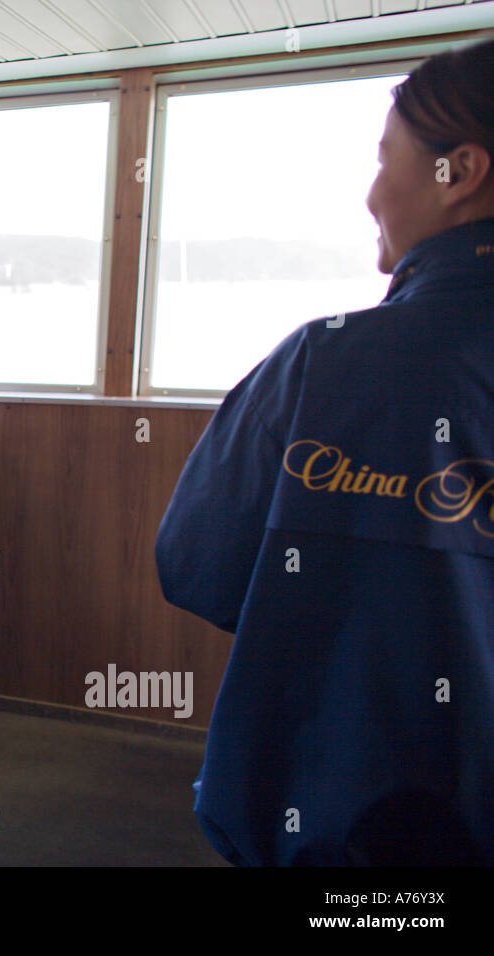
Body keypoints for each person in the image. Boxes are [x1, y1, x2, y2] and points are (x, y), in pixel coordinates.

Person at [156, 38, 494, 866]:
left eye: (387, 161)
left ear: (462, 174)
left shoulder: (326, 362)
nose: (371, 193)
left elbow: (194, 564)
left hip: (347, 838)